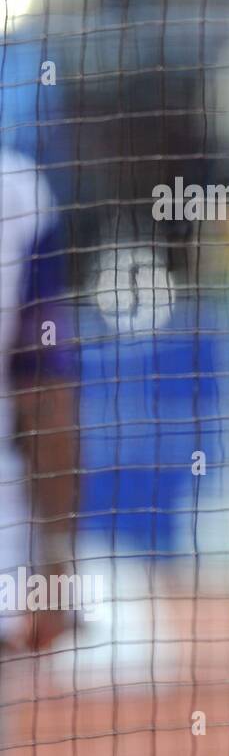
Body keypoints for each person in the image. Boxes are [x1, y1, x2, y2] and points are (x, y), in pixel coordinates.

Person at [0, 148, 80, 670]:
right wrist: (54, 556)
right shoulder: (17, 188)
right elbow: (44, 387)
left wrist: (52, 557)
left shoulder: (19, 191)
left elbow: (43, 383)